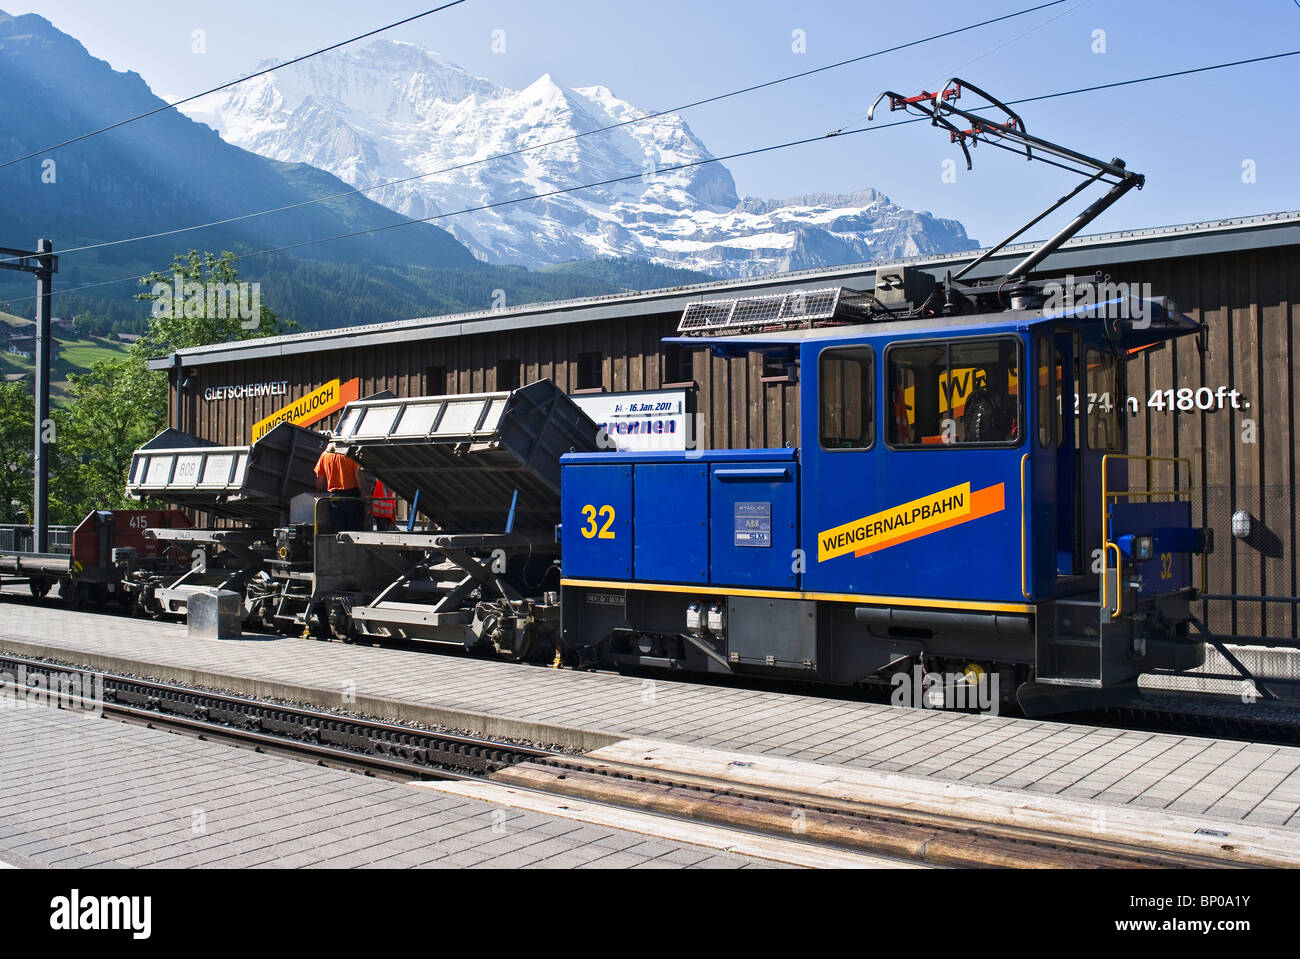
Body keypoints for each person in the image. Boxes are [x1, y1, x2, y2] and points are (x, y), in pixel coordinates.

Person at [314, 443, 367, 532]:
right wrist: (363, 494)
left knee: (338, 529)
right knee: (355, 529)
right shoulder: (350, 454)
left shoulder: (325, 455)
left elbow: (320, 477)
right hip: (352, 497)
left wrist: (319, 493)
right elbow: (358, 474)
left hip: (334, 497)